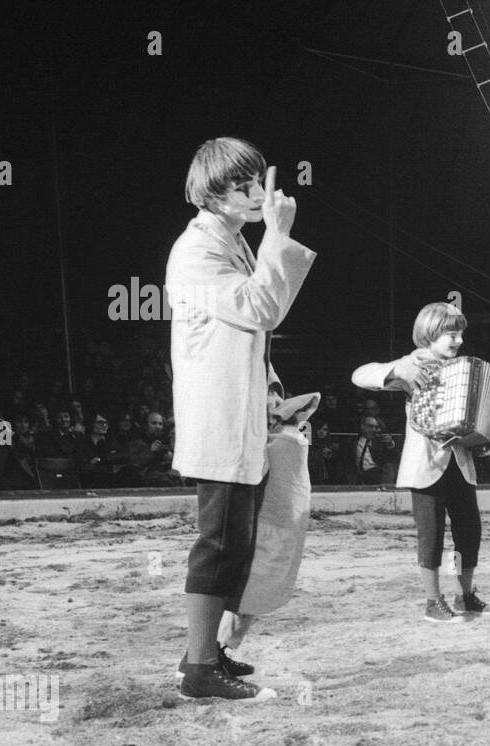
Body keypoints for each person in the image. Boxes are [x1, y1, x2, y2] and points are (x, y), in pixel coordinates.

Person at [166, 137, 316, 701]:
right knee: (220, 542)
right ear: (210, 191)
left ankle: (201, 655)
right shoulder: (196, 250)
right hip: (220, 419)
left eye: (258, 182)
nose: (257, 194)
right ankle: (200, 672)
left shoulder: (231, 243)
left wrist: (276, 399)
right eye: (242, 186)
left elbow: (254, 339)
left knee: (239, 542)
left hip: (246, 415)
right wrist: (278, 233)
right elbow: (262, 308)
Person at [352, 302, 490, 622]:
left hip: (461, 462)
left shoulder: (467, 368)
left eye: (460, 334)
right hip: (425, 465)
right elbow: (360, 375)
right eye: (451, 334)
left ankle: (464, 594)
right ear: (429, 334)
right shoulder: (414, 363)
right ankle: (432, 600)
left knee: (468, 533)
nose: (458, 341)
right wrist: (398, 371)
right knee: (432, 534)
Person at [351, 414, 396, 485]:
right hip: (359, 476)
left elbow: (392, 457)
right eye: (371, 427)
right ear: (362, 426)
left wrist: (390, 444)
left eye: (376, 427)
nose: (374, 430)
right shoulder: (353, 442)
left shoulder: (380, 442)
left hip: (377, 474)